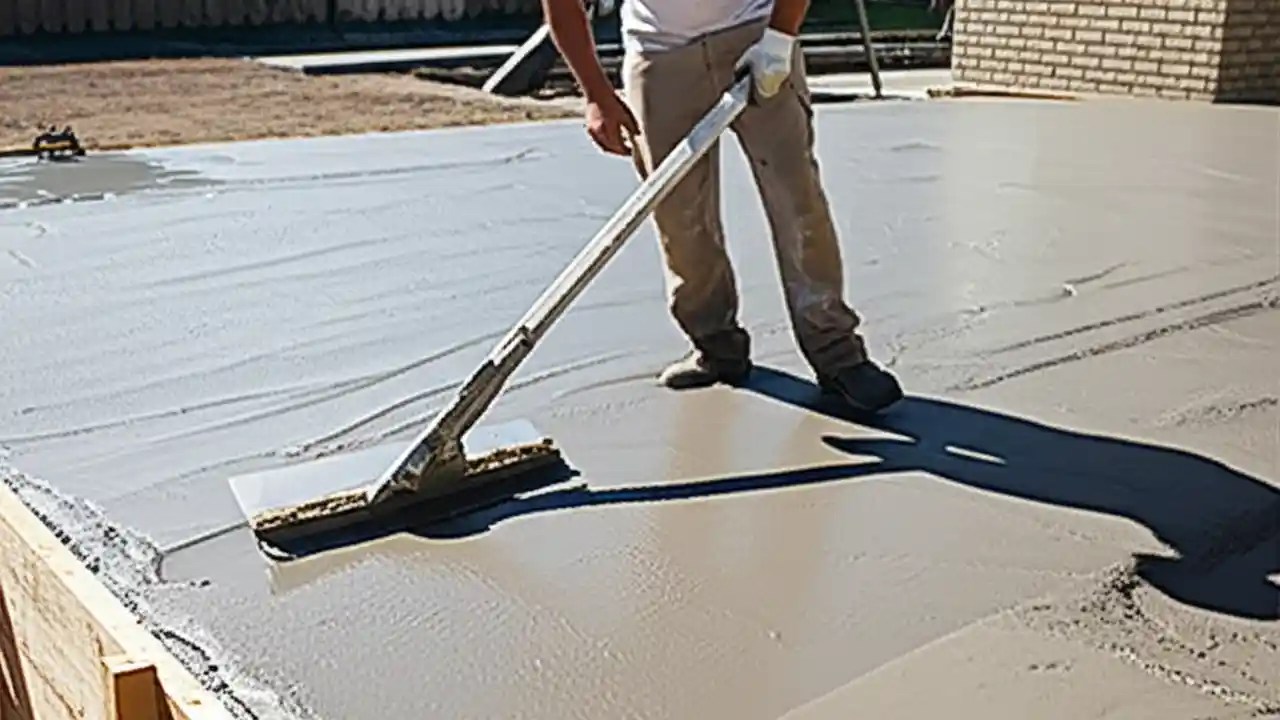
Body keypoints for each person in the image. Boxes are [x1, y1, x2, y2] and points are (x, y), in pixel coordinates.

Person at [541, 0, 904, 413]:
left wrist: (779, 39)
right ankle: (716, 346)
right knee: (679, 215)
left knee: (796, 200)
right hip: (660, 55)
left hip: (754, 31)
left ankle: (838, 356)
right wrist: (596, 93)